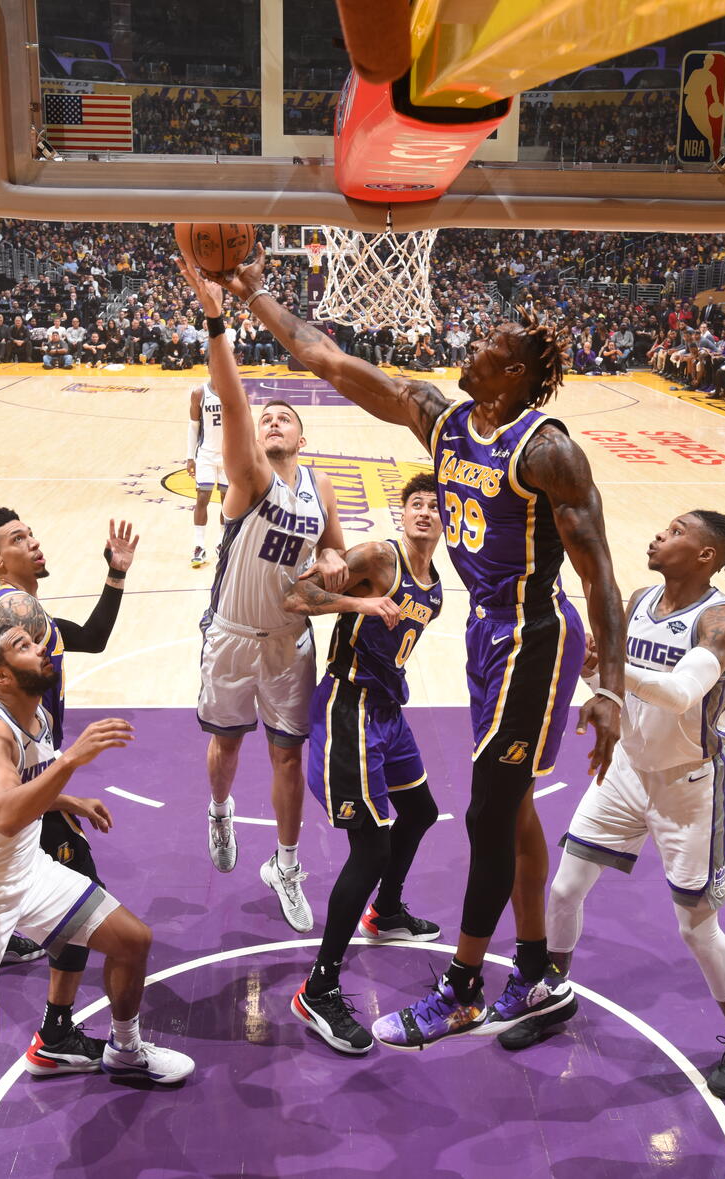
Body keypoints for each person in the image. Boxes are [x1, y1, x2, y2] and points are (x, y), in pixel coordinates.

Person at [206, 246, 624, 1051]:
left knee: (488, 811)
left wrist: (608, 685)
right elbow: (328, 360)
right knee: (516, 807)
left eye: (490, 353)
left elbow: (598, 565)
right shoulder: (445, 420)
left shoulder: (546, 449)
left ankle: (465, 987)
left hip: (535, 633)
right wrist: (257, 298)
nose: (471, 352)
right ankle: (534, 973)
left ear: (514, 380)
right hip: (487, 633)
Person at [0, 626, 191, 1179]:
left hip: (27, 872)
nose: (41, 646)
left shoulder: (38, 716)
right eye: (24, 646)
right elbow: (6, 810)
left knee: (133, 940)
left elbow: (26, 786)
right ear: (0, 676)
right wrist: (72, 763)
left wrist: (69, 799)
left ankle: (124, 1051)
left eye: (38, 641)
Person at [498, 511, 725, 1097]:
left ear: (706, 556)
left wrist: (614, 668)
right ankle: (552, 995)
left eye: (675, 533)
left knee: (696, 928)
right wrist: (592, 675)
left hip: (687, 786)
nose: (657, 536)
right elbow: (607, 679)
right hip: (623, 770)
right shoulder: (644, 598)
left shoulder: (722, 619)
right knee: (566, 889)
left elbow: (675, 692)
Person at [177, 258, 347, 934]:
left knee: (286, 753)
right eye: (267, 416)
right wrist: (217, 319)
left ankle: (286, 861)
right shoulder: (245, 478)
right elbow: (234, 399)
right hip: (231, 633)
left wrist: (333, 560)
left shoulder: (320, 486)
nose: (273, 421)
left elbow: (333, 545)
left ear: (303, 436)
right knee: (228, 747)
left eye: (285, 418)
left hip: (290, 639)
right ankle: (219, 811)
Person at [283, 474, 446, 1055]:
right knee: (371, 847)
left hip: (387, 712)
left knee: (420, 810)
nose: (425, 512)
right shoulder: (381, 556)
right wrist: (358, 600)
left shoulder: (436, 586)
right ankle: (318, 989)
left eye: (436, 506)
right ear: (401, 514)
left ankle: (387, 909)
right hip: (347, 709)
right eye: (416, 504)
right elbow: (296, 595)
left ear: (450, 520)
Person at [0, 507, 139, 961]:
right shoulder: (15, 607)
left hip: (34, 760)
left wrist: (115, 574)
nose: (33, 543)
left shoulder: (33, 613)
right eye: (18, 539)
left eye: (31, 534)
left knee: (28, 877)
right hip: (27, 763)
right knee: (81, 902)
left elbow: (92, 637)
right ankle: (56, 1027)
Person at [188, 377, 224, 569]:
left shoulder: (235, 390)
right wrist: (189, 457)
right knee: (202, 497)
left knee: (228, 502)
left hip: (229, 456)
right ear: (209, 367)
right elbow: (193, 426)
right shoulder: (199, 393)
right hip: (206, 454)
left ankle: (222, 542)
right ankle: (199, 546)